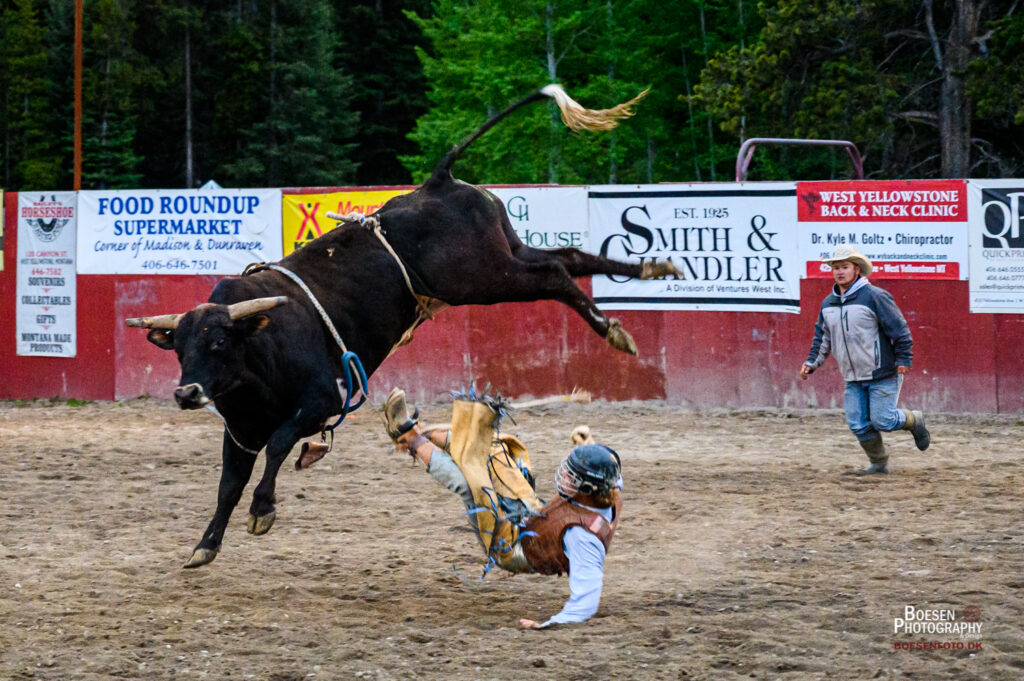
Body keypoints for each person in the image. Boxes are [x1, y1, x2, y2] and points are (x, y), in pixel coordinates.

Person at [383, 387, 623, 629]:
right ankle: (417, 431)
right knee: (497, 450)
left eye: (573, 477)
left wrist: (544, 625)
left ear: (588, 489)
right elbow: (611, 466)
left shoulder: (583, 539)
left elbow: (585, 603)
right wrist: (588, 448)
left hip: (514, 549)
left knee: (473, 484)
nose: (565, 477)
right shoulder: (609, 489)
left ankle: (410, 437)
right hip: (535, 515)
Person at [800, 245, 931, 474]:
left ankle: (914, 419)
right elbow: (822, 337)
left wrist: (904, 358)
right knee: (858, 424)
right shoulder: (828, 303)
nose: (839, 272)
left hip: (882, 372)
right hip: (852, 376)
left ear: (856, 269)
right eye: (836, 268)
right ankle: (879, 465)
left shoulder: (875, 297)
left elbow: (899, 329)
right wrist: (812, 362)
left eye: (844, 267)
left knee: (884, 421)